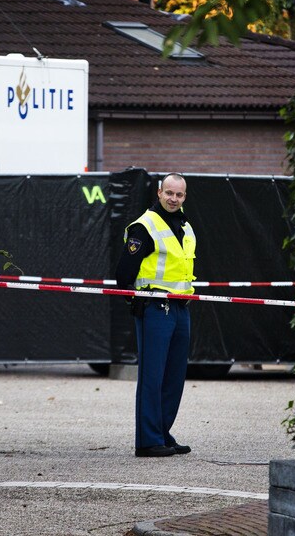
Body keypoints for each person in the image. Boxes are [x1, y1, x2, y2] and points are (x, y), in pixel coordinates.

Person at [115, 173, 196, 458]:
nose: (174, 199)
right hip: (155, 307)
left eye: (180, 195)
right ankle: (148, 440)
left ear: (185, 197)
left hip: (180, 307)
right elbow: (123, 273)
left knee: (174, 376)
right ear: (160, 192)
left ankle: (162, 432)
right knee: (153, 375)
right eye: (169, 193)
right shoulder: (145, 226)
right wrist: (135, 301)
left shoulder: (185, 226)